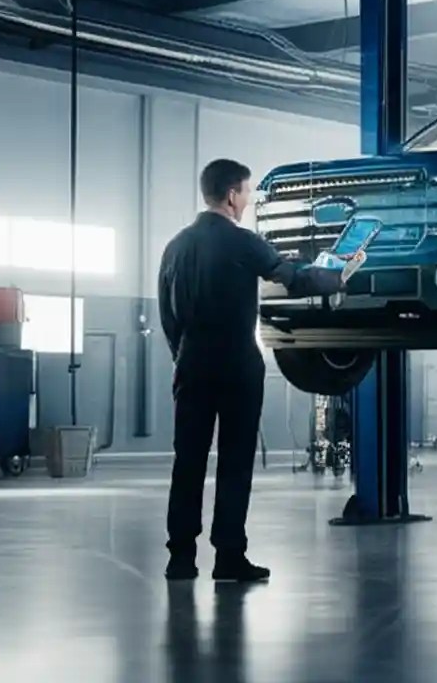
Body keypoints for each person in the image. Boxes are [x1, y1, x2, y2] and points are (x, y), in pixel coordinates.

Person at [159, 158, 362, 582]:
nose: (248, 201)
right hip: (237, 366)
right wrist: (339, 275)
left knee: (188, 461)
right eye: (247, 192)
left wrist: (184, 355)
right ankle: (229, 556)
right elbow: (296, 278)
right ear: (233, 195)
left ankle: (181, 558)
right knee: (235, 463)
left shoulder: (175, 246)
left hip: (191, 364)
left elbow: (167, 314)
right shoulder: (244, 242)